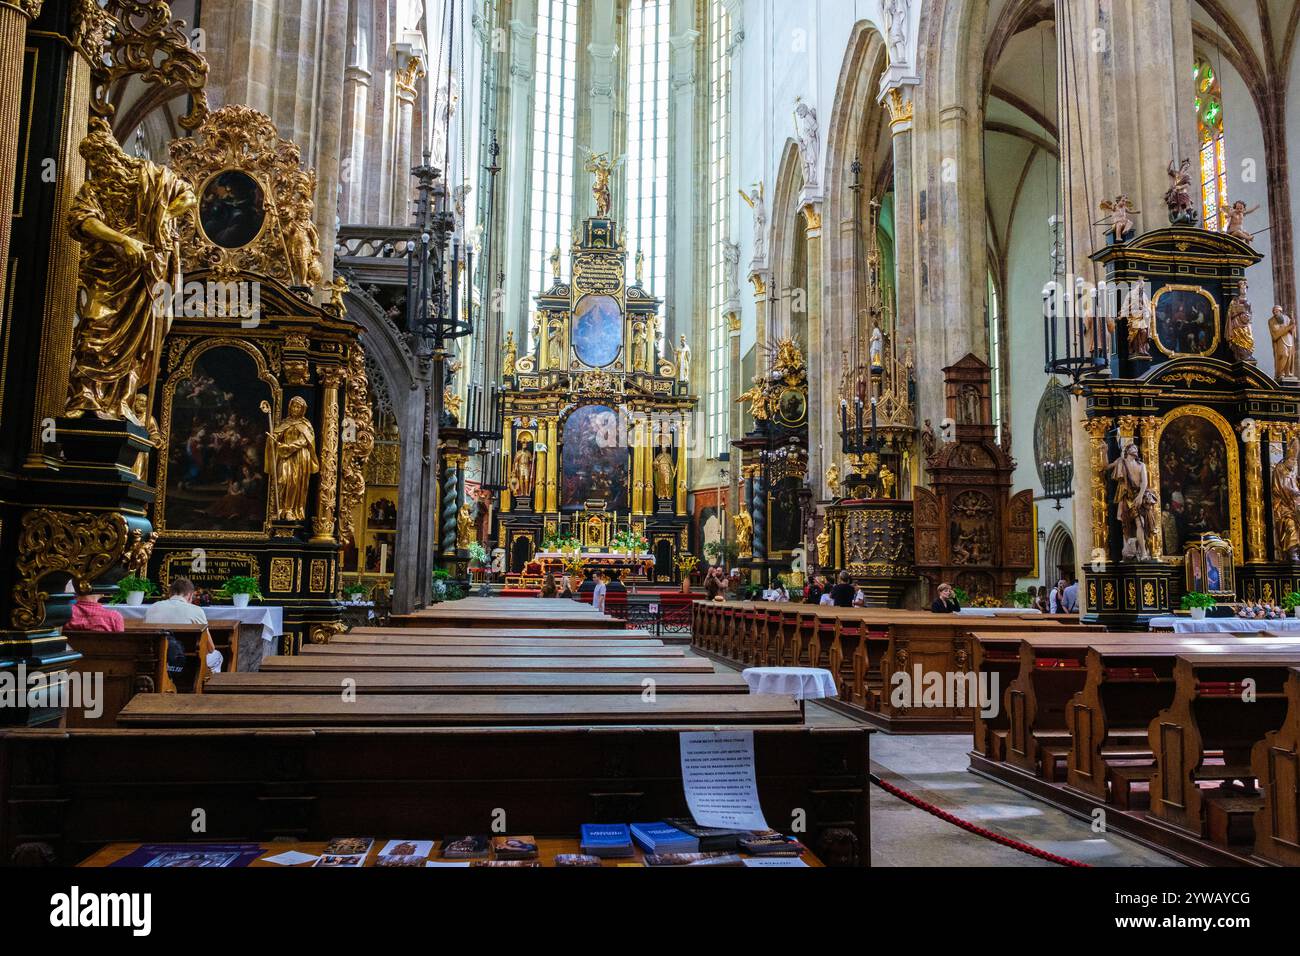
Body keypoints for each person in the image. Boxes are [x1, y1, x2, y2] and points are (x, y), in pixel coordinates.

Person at [145, 577, 223, 674]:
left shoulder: (153, 608)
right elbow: (210, 648)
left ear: (170, 594)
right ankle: (202, 686)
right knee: (217, 656)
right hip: (187, 661)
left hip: (157, 658)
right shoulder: (197, 610)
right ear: (190, 595)